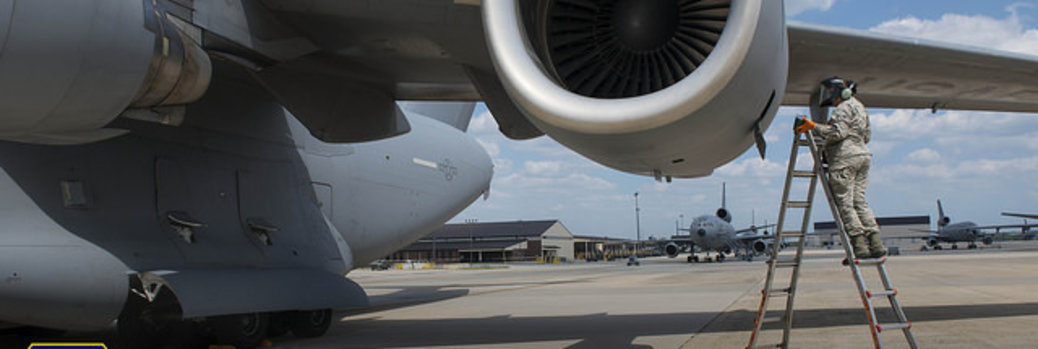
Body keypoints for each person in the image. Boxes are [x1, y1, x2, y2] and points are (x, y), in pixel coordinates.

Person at [794, 77, 886, 260]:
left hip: (844, 159)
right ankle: (875, 243)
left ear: (839, 93)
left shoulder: (843, 108)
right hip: (863, 156)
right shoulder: (860, 107)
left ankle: (859, 245)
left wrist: (813, 127)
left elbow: (838, 133)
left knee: (845, 203)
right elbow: (866, 136)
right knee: (859, 201)